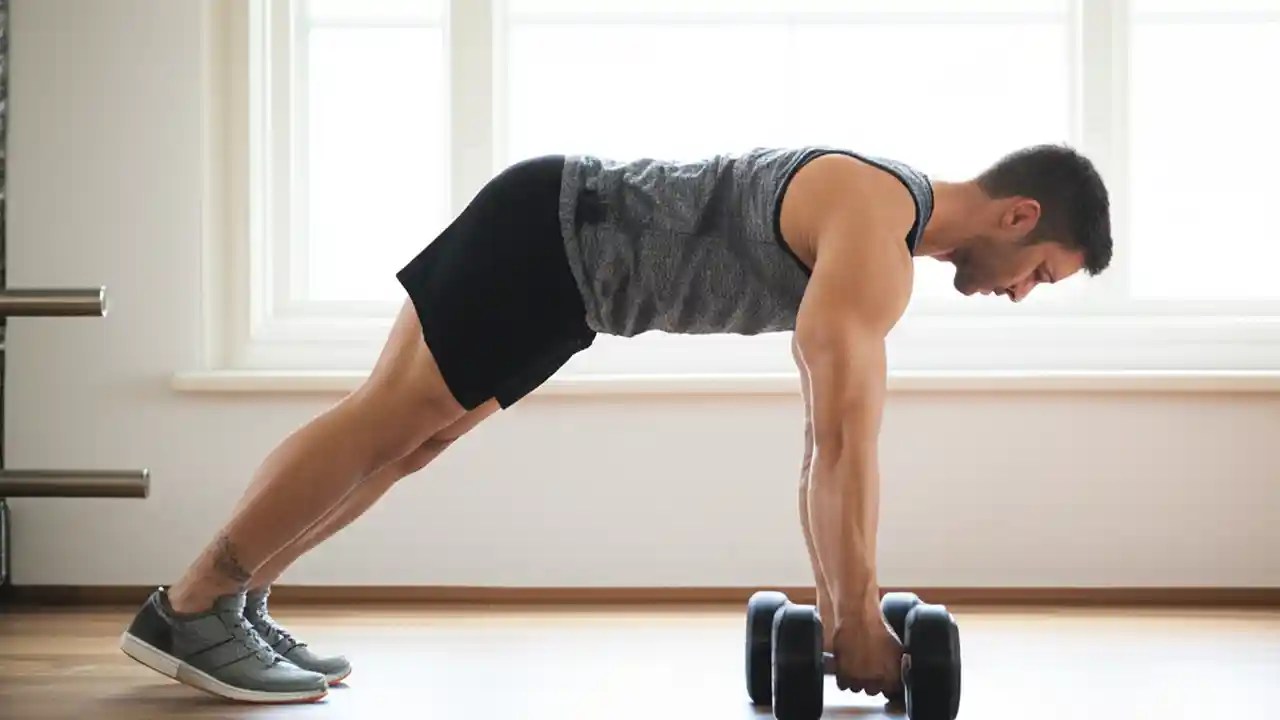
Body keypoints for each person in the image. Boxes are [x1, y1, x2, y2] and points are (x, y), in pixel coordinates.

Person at [119, 144, 1111, 703]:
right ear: (1018, 216)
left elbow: (835, 444)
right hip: (554, 236)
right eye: (1041, 274)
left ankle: (234, 601)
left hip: (570, 272)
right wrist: (850, 619)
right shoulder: (874, 227)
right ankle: (193, 603)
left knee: (411, 440)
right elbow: (839, 443)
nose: (1023, 293)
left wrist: (847, 606)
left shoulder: (884, 224)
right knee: (387, 422)